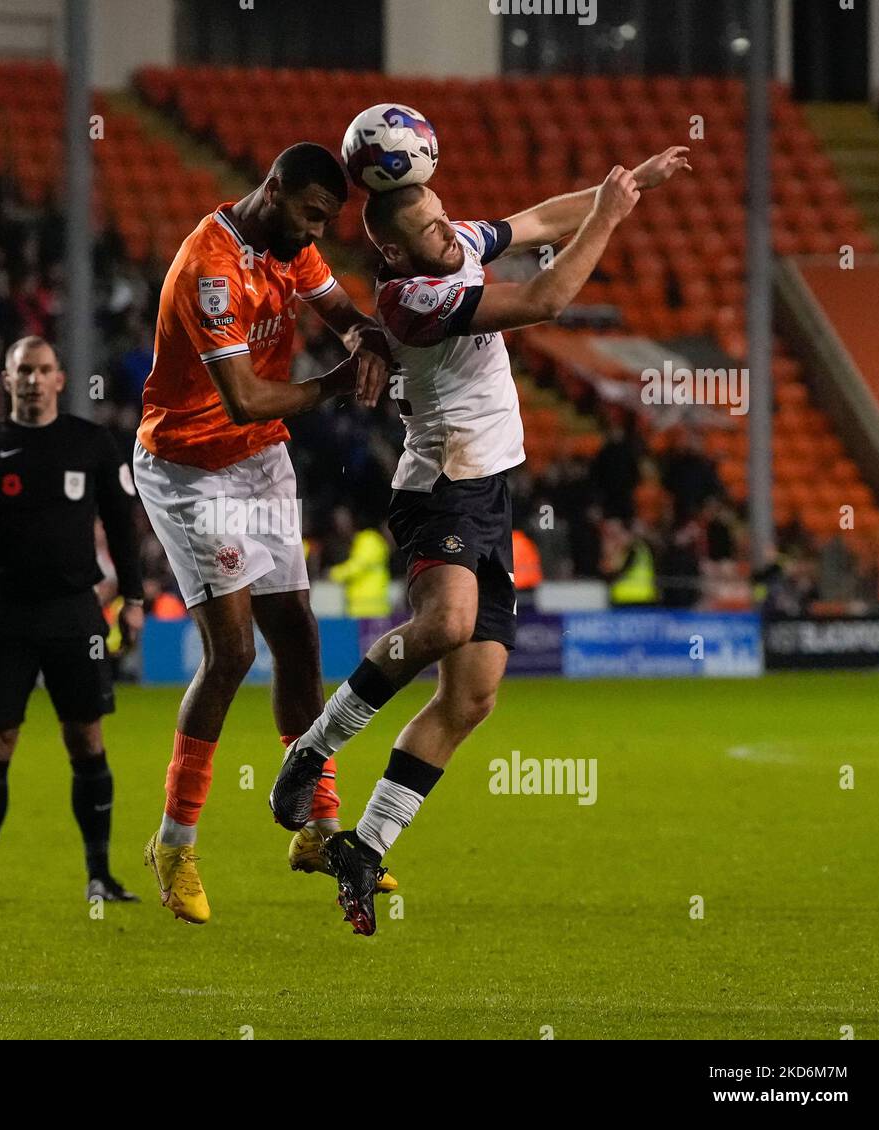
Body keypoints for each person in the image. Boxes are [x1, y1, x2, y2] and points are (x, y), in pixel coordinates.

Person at [269, 147, 691, 935]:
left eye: (442, 215)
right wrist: (610, 217)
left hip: (491, 490)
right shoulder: (411, 299)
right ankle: (313, 751)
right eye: (429, 227)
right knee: (447, 623)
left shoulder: (450, 241)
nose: (447, 231)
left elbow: (537, 221)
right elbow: (546, 297)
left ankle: (365, 845)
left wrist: (624, 182)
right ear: (395, 252)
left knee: (472, 697)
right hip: (441, 489)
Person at [133, 142, 395, 924]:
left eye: (326, 221)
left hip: (259, 459)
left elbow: (340, 310)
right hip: (191, 466)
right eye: (311, 214)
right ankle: (174, 843)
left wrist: (371, 338)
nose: (316, 232)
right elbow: (244, 397)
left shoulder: (289, 244)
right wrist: (337, 383)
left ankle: (318, 829)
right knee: (233, 652)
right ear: (274, 190)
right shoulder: (210, 269)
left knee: (300, 640)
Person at [0, 336, 145, 905]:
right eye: (23, 371)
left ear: (59, 379)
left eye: (43, 370)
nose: (33, 380)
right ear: (7, 380)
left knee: (85, 736)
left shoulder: (91, 443)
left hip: (74, 610)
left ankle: (100, 876)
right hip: (2, 611)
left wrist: (133, 598)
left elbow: (122, 526)